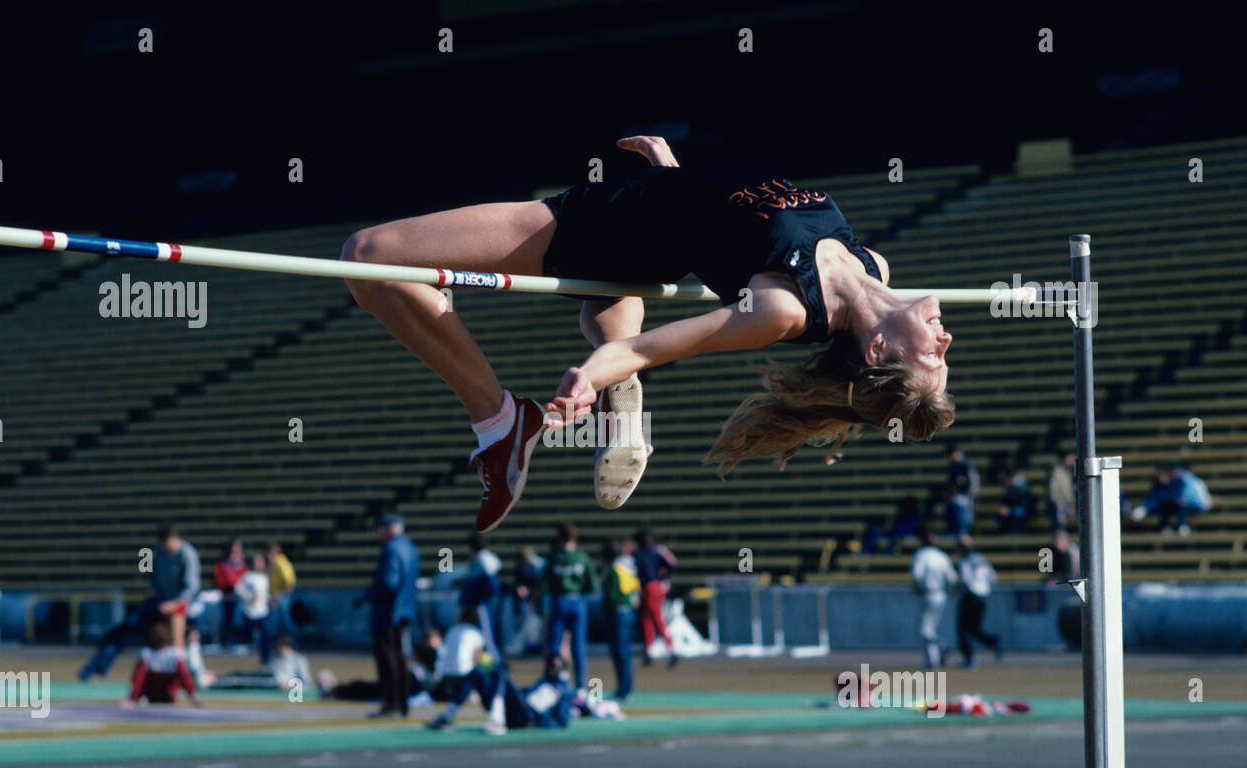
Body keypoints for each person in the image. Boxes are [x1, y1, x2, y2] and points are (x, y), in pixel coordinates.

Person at [341, 135, 955, 533]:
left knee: (368, 255)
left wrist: (593, 375)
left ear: (877, 350)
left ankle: (499, 420)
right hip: (652, 226)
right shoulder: (873, 264)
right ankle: (614, 405)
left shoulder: (785, 310)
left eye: (933, 357)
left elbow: (651, 345)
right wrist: (672, 174)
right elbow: (730, 223)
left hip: (600, 226)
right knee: (603, 304)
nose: (946, 341)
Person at [79, 521, 200, 679]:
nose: (164, 547)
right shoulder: (158, 552)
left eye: (166, 543)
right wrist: (153, 591)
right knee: (123, 630)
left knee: (177, 647)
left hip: (180, 607)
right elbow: (154, 580)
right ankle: (95, 667)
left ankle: (187, 678)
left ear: (174, 538)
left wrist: (174, 603)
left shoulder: (188, 554)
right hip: (157, 604)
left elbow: (191, 587)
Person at [353, 513, 420, 718]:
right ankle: (402, 704)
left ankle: (391, 705)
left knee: (387, 659)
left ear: (389, 528)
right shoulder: (410, 547)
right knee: (399, 658)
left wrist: (366, 596)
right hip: (405, 610)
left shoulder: (391, 549)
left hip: (388, 611)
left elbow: (389, 583)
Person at [426, 653, 575, 736]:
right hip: (515, 709)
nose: (551, 669)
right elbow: (527, 695)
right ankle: (447, 715)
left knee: (501, 670)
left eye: (555, 666)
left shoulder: (565, 688)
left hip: (527, 717)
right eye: (549, 665)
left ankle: (497, 718)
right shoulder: (543, 681)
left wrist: (539, 723)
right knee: (477, 673)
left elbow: (562, 720)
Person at [541, 523, 600, 701]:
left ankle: (553, 681)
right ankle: (581, 686)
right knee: (579, 645)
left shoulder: (554, 558)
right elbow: (593, 585)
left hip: (559, 601)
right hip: (577, 601)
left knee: (554, 644)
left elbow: (544, 584)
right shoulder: (583, 558)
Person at [122, 622, 203, 707]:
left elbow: (184, 677)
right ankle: (143, 697)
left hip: (168, 694)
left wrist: (194, 698)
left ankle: (144, 697)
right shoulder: (147, 653)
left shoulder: (174, 654)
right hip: (150, 694)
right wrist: (131, 699)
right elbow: (138, 678)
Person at [911, 530, 956, 670]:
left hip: (927, 594)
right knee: (930, 627)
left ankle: (941, 645)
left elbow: (917, 576)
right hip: (941, 594)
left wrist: (916, 587)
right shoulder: (942, 556)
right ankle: (932, 661)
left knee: (924, 630)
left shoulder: (920, 555)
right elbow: (952, 578)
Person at [600, 538, 640, 701]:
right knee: (622, 652)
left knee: (620, 652)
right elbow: (634, 589)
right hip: (624, 613)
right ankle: (624, 688)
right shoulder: (623, 568)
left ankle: (625, 689)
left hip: (618, 613)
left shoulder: (614, 569)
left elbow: (616, 594)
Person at [633, 529, 678, 666]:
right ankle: (649, 651)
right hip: (653, 587)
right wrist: (666, 580)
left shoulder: (639, 555)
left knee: (657, 618)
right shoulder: (655, 552)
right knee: (646, 619)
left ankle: (671, 649)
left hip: (650, 587)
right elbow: (671, 565)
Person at [955, 536, 1001, 667]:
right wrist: (985, 589)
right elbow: (993, 577)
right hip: (982, 596)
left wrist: (959, 590)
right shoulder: (981, 558)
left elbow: (965, 579)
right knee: (974, 628)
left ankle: (969, 658)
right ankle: (993, 641)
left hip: (970, 595)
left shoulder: (964, 560)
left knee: (963, 629)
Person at [1132, 462, 1211, 535]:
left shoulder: (1179, 481)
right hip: (1168, 504)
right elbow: (1156, 496)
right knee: (1164, 505)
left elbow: (1179, 496)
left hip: (1186, 504)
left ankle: (1181, 525)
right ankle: (1163, 524)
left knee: (1179, 505)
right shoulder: (1161, 484)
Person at [210, 636, 311, 692]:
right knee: (240, 674)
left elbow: (306, 681)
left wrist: (289, 686)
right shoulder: (277, 656)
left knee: (242, 681)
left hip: (275, 680)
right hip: (266, 673)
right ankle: (214, 680)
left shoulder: (298, 659)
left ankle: (214, 684)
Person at [460, 532, 503, 655]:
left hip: (482, 605)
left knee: (487, 636)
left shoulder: (482, 560)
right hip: (481, 604)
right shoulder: (483, 559)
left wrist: (476, 598)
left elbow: (491, 584)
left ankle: (495, 665)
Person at [234, 553, 273, 662]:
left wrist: (270, 599)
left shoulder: (265, 577)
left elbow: (264, 594)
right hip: (250, 612)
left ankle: (266, 659)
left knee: (266, 636)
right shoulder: (247, 576)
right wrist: (249, 597)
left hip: (263, 611)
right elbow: (238, 589)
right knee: (248, 637)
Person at [214, 538, 247, 646]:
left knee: (239, 619)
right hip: (227, 596)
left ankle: (240, 640)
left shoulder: (244, 564)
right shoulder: (221, 563)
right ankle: (226, 640)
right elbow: (218, 579)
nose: (234, 552)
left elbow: (246, 580)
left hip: (242, 598)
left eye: (236, 549)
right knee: (226, 618)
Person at [944, 444, 980, 537]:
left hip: (965, 496)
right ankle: (953, 532)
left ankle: (963, 535)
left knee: (963, 521)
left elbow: (972, 483)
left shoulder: (966, 464)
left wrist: (968, 494)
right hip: (955, 496)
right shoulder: (953, 466)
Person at [266, 542, 299, 639]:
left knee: (285, 619)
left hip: (281, 596)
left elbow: (289, 581)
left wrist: (280, 594)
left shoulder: (282, 563)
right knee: (274, 620)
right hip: (273, 596)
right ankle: (277, 643)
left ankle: (293, 640)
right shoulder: (271, 565)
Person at [996, 469, 1035, 534]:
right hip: (1015, 508)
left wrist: (1010, 509)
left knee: (1016, 514)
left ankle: (1018, 533)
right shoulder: (1010, 488)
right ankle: (1007, 533)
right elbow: (1007, 502)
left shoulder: (1020, 487)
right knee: (999, 515)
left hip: (1025, 509)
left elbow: (1024, 502)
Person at [1046, 451, 1076, 533]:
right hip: (1060, 503)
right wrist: (1058, 501)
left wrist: (1071, 504)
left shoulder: (1070, 471)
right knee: (1060, 525)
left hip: (1068, 503)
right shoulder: (1058, 472)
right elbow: (1054, 489)